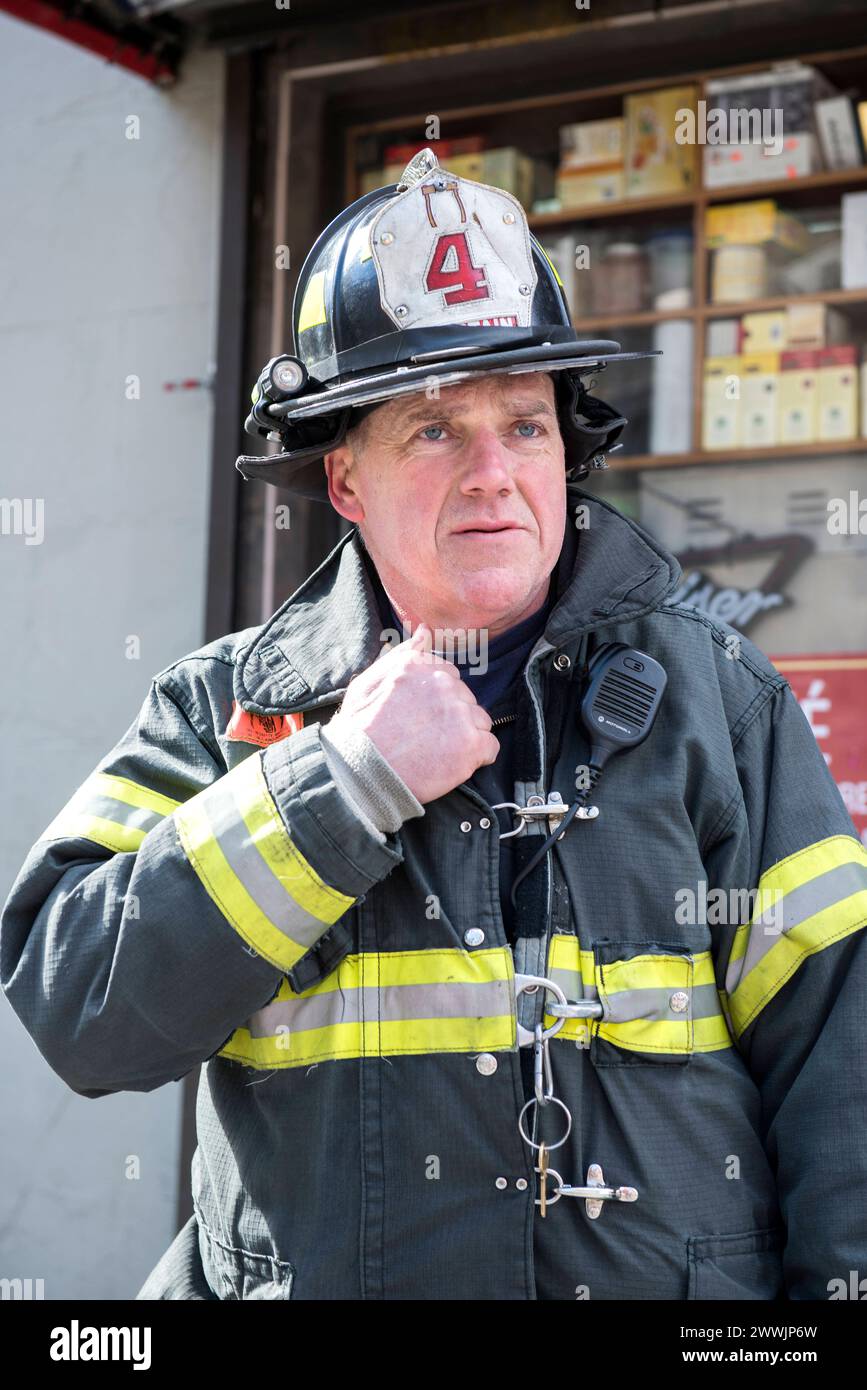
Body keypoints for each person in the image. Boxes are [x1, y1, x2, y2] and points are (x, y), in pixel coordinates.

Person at [2, 149, 866, 1302]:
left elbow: (843, 1073)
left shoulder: (721, 701)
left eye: (525, 424)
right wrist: (338, 788)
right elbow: (80, 1009)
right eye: (433, 430)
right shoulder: (220, 713)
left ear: (571, 453)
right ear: (345, 479)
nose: (494, 474)